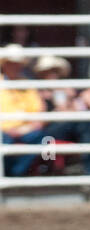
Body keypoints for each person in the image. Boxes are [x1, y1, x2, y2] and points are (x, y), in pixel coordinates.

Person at [1, 46, 47, 178]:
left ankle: (16, 174)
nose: (15, 67)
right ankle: (10, 174)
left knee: (42, 137)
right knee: (4, 140)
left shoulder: (27, 85)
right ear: (5, 64)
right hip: (3, 131)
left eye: (17, 64)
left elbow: (38, 112)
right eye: (11, 63)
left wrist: (25, 129)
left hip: (25, 129)